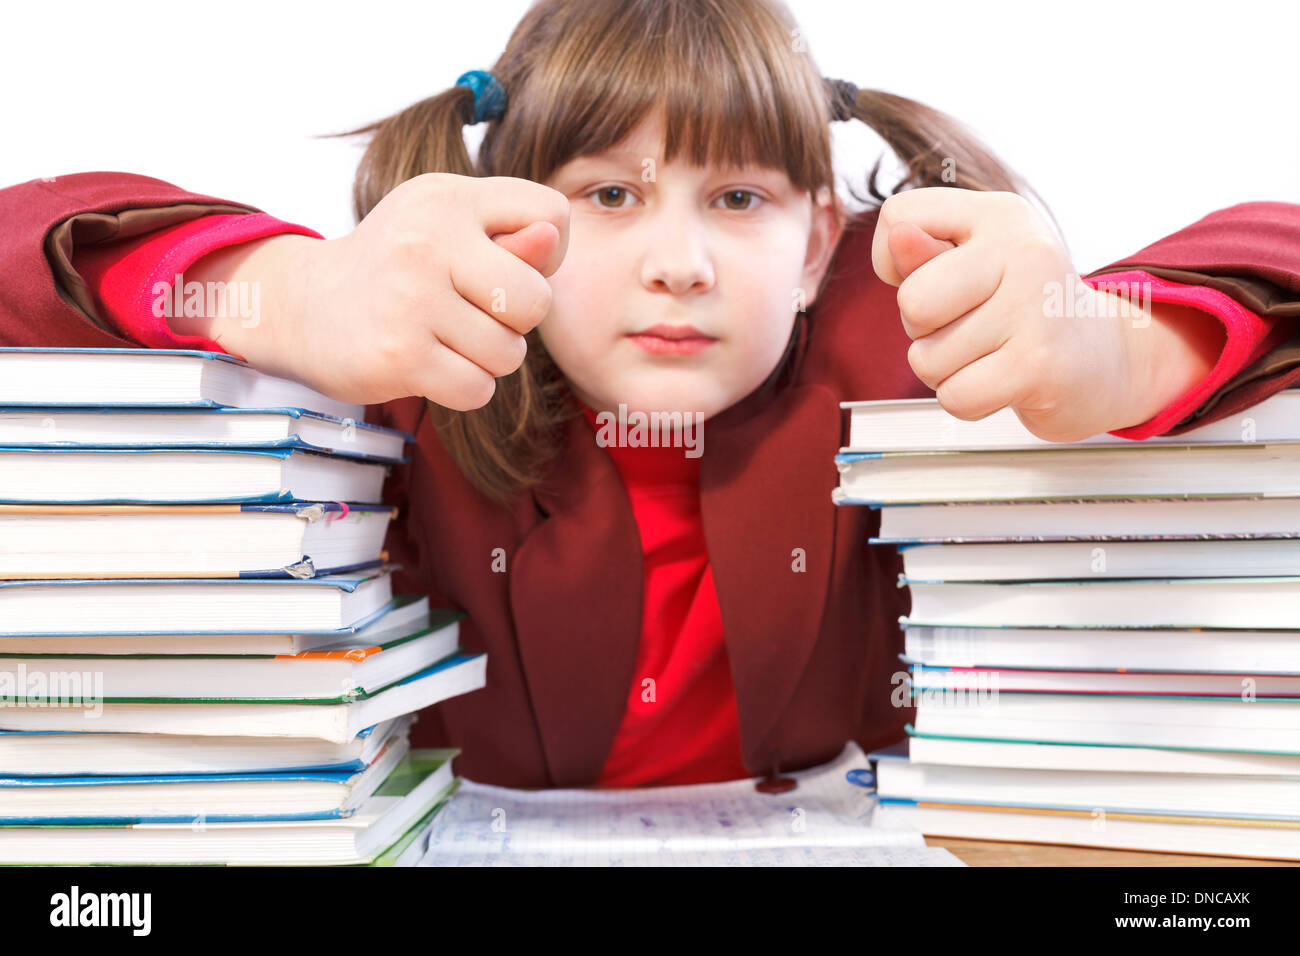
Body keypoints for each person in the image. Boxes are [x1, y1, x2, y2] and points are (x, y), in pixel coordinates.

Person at [3, 0, 1299, 789]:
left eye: (736, 198)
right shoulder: (418, 365)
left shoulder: (894, 339)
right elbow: (29, 243)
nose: (677, 258)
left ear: (811, 246)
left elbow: (1271, 248)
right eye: (610, 195)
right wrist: (280, 297)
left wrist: (1107, 352)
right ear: (514, 223)